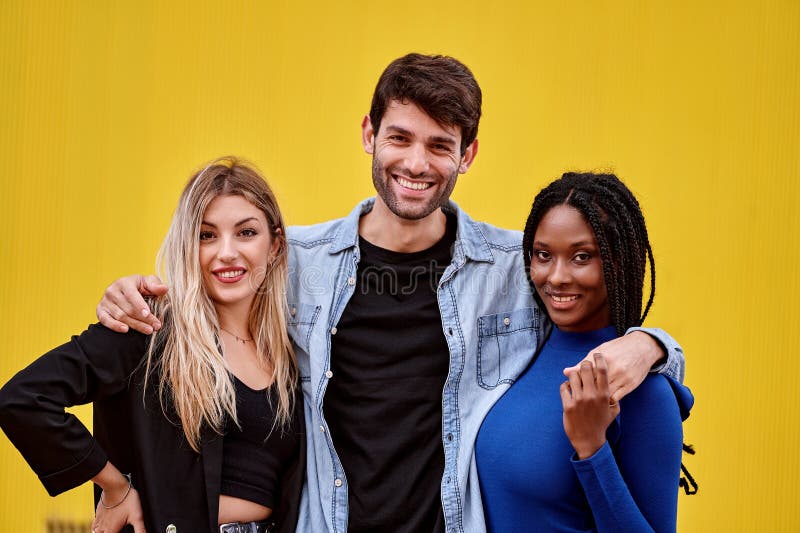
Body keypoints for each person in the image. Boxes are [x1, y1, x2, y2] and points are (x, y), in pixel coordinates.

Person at [94, 54, 686, 533]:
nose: (415, 162)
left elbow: (599, 321)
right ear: (368, 134)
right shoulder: (293, 261)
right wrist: (130, 296)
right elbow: (193, 309)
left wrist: (651, 345)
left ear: (468, 154)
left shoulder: (517, 265)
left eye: (439, 145)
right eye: (399, 137)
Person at [0, 158, 304, 533]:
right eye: (206, 235)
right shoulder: (150, 328)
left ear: (275, 245)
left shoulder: (294, 354)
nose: (226, 252)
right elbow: (24, 398)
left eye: (246, 233)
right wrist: (115, 487)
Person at [476, 172, 694, 532]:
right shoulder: (521, 352)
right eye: (543, 255)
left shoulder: (644, 394)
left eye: (582, 257)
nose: (557, 276)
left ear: (619, 262)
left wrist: (592, 448)